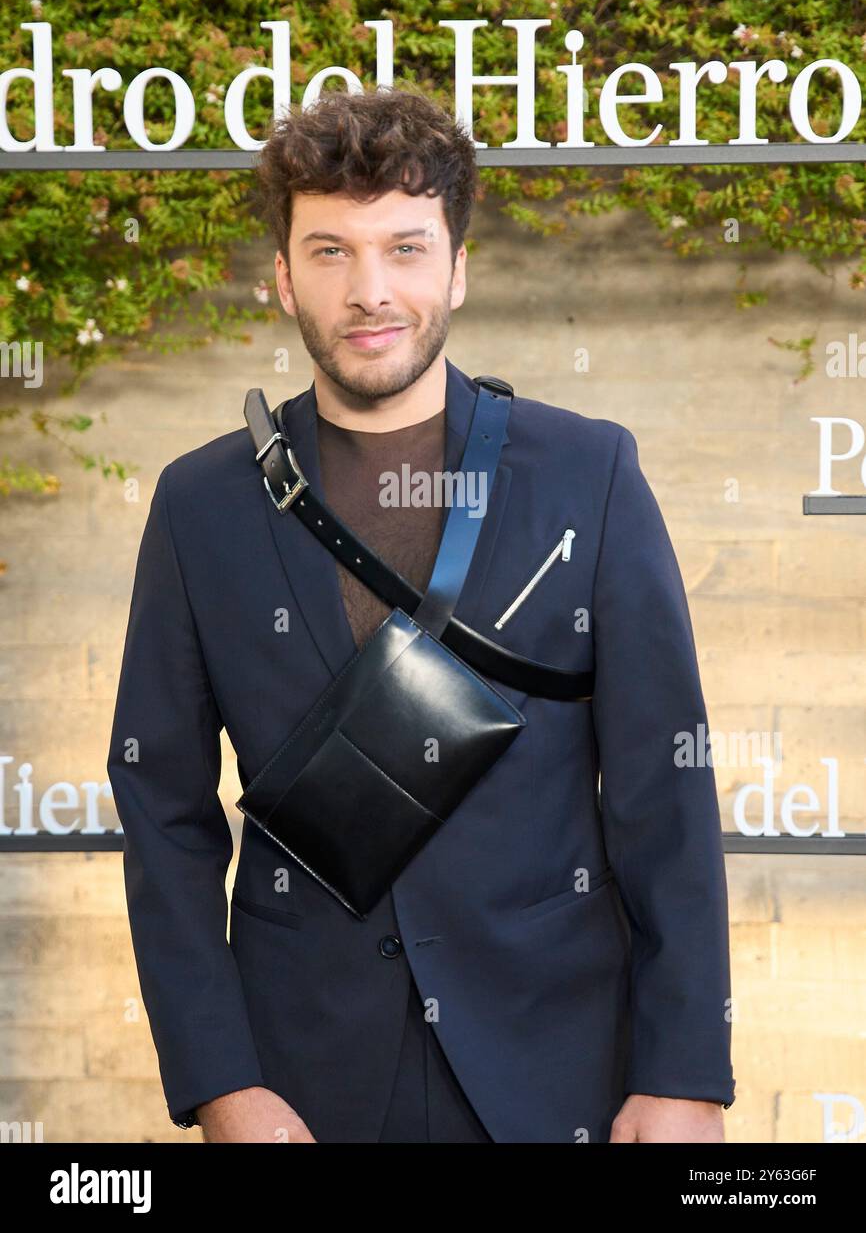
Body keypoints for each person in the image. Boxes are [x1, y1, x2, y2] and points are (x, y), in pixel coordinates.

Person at [106, 84, 736, 1143]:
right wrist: (222, 1083)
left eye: (403, 247)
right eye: (329, 252)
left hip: (558, 1066)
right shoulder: (197, 503)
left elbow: (662, 796)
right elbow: (162, 811)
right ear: (279, 279)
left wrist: (683, 1076)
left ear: (456, 267)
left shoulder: (590, 473)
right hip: (298, 1083)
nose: (368, 290)